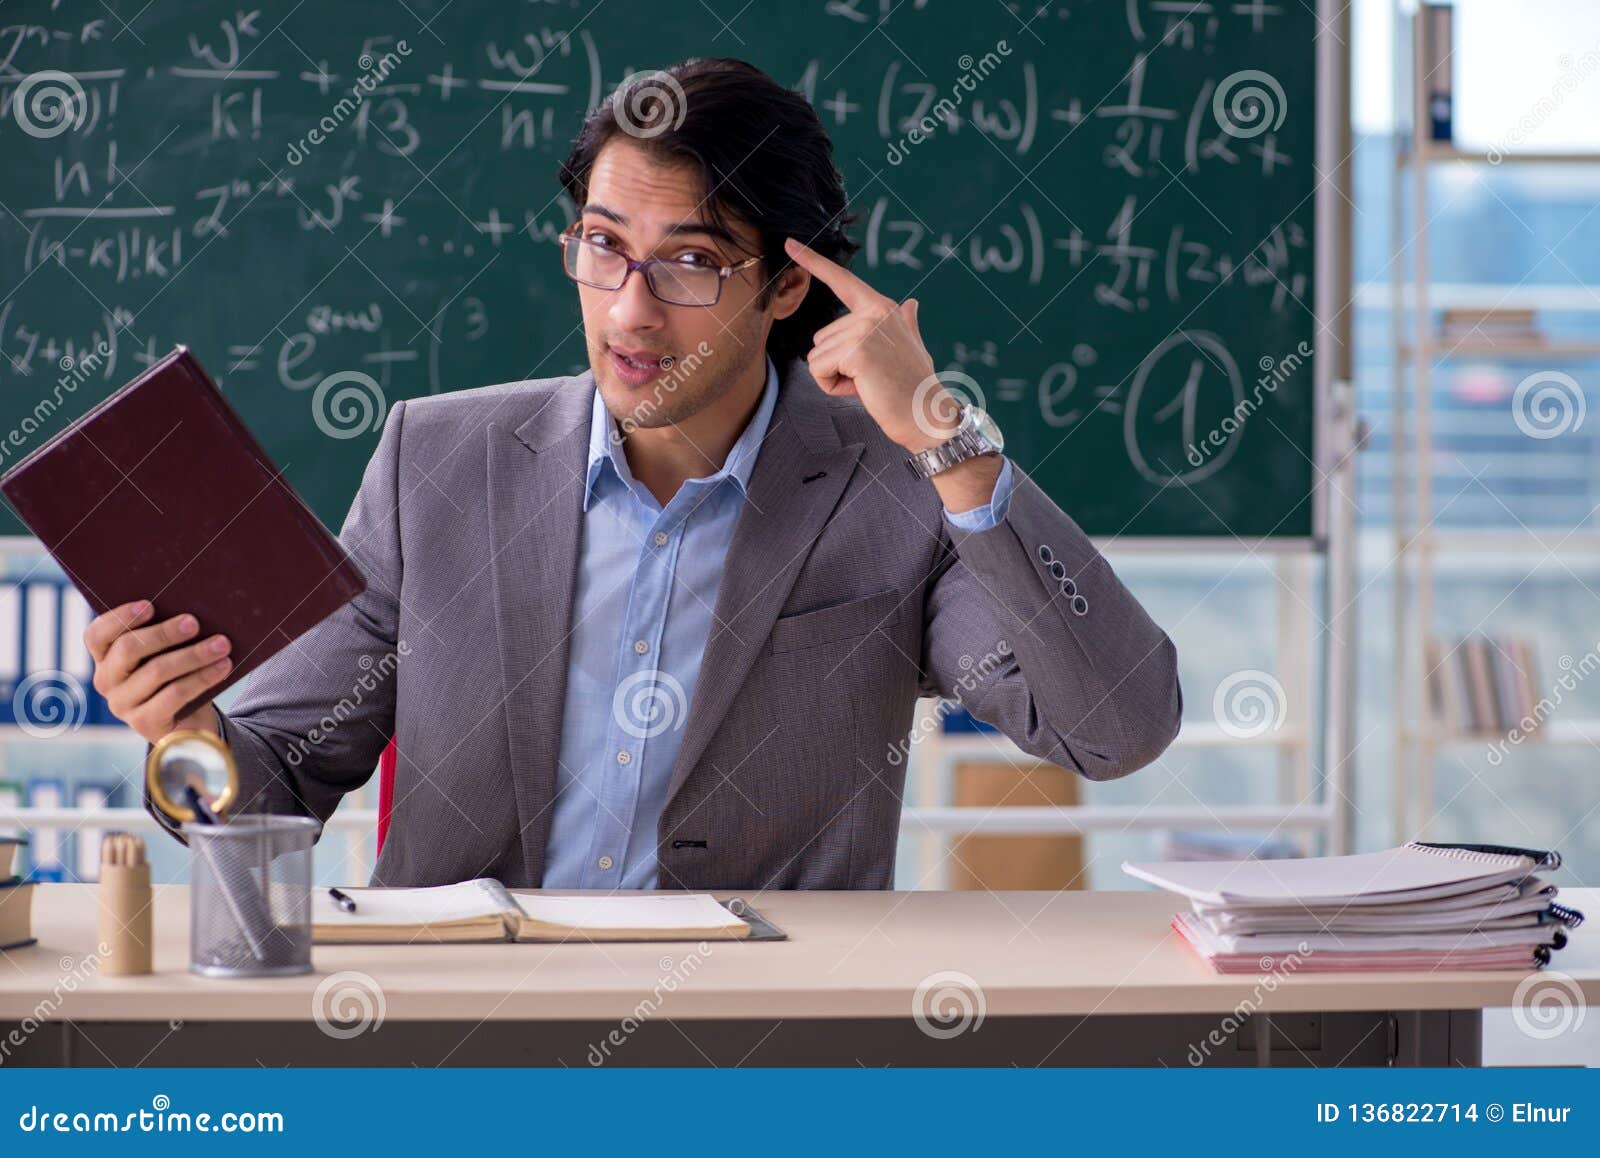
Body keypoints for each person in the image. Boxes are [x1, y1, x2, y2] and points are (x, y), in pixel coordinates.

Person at [87, 57, 1182, 890]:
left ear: (791, 287)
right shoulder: (440, 463)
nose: (629, 311)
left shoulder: (892, 490)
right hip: (464, 1049)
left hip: (757, 1058)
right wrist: (185, 727)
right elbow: (271, 780)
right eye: (602, 246)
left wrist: (948, 436)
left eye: (693, 263)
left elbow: (1115, 727)